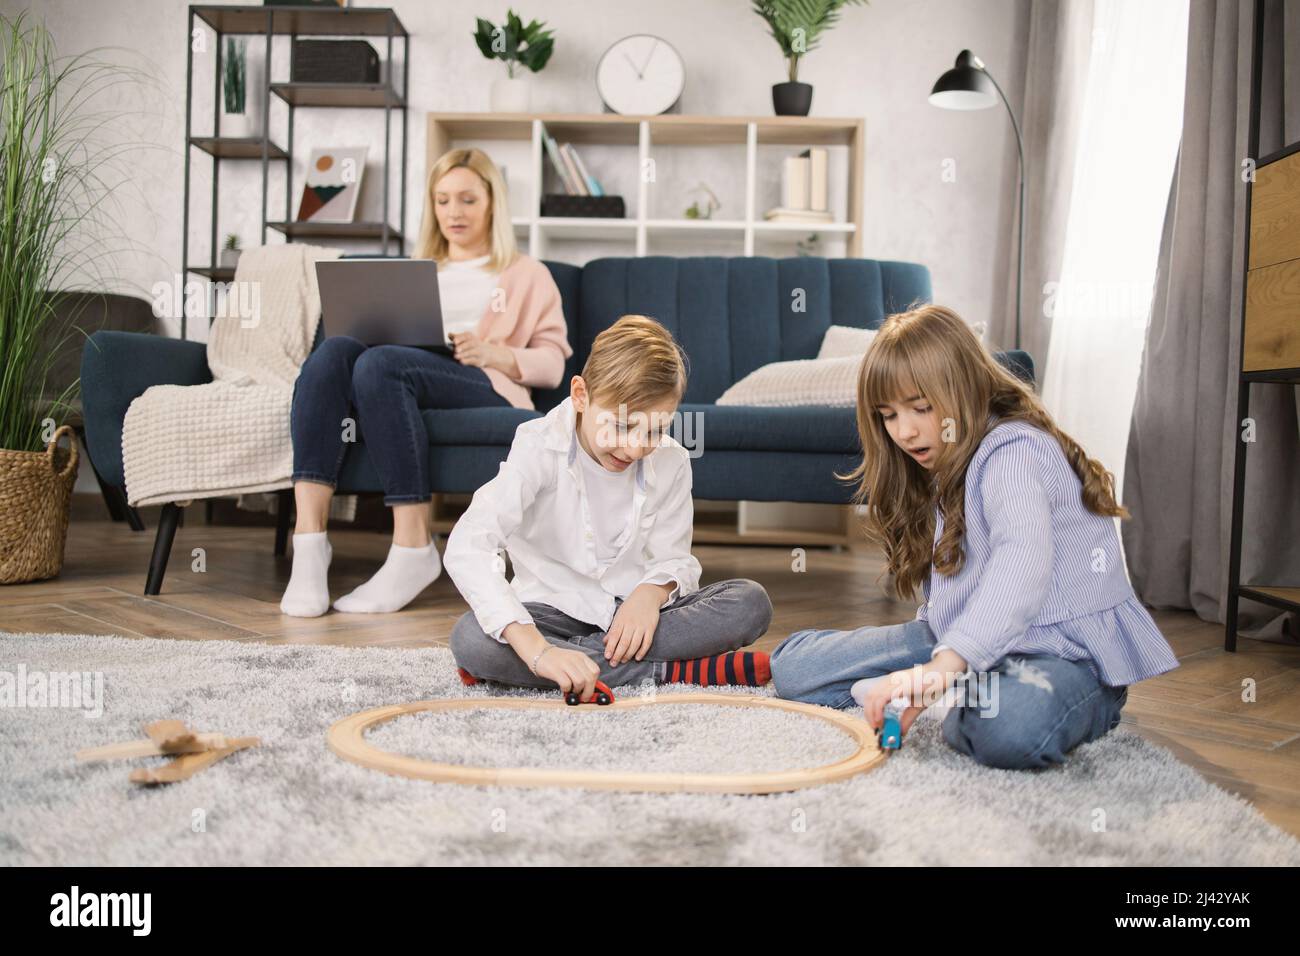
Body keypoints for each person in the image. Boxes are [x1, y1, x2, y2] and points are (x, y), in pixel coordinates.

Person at [770, 305, 1179, 769]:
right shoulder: (946, 461)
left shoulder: (1015, 453)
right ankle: (954, 683)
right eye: (888, 415)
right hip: (963, 638)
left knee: (1009, 728)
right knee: (795, 670)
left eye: (921, 408)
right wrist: (945, 659)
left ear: (966, 387)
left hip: (1060, 654)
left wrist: (942, 670)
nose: (904, 431)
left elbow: (1021, 561)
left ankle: (959, 692)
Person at [280, 147, 572, 617]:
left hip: (480, 380)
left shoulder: (526, 274)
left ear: (492, 204)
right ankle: (310, 544)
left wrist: (497, 353)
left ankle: (413, 547)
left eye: (467, 200)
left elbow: (554, 365)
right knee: (335, 352)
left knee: (379, 365)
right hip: (395, 369)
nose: (453, 212)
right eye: (442, 200)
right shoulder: (417, 269)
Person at [445, 315, 775, 701]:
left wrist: (648, 597)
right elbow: (470, 545)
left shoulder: (672, 461)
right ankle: (669, 669)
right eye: (621, 426)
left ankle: (570, 667)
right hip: (549, 613)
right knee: (470, 638)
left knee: (750, 602)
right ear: (581, 395)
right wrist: (539, 651)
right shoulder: (537, 447)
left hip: (637, 619)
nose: (635, 448)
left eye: (654, 430)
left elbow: (673, 558)